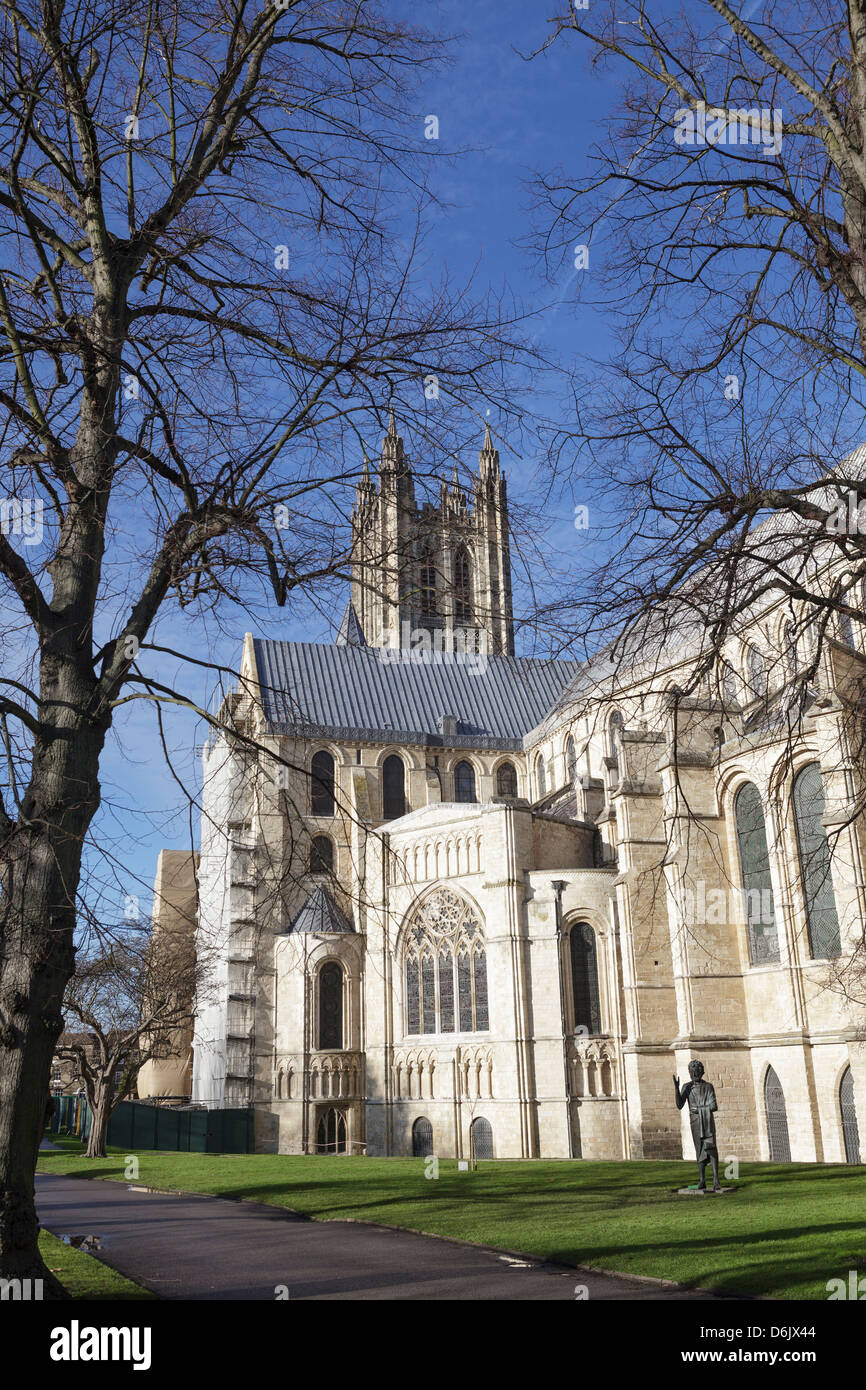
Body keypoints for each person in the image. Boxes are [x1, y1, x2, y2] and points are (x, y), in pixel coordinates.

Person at [674, 1059, 721, 1191]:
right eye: (692, 1072)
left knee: (711, 1148)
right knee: (699, 1149)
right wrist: (676, 1089)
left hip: (707, 1122)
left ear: (702, 1072)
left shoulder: (708, 1087)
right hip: (695, 1122)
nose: (694, 1074)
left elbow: (714, 1106)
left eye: (697, 1072)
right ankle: (702, 1180)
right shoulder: (687, 1087)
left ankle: (716, 1179)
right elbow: (679, 1105)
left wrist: (698, 1109)